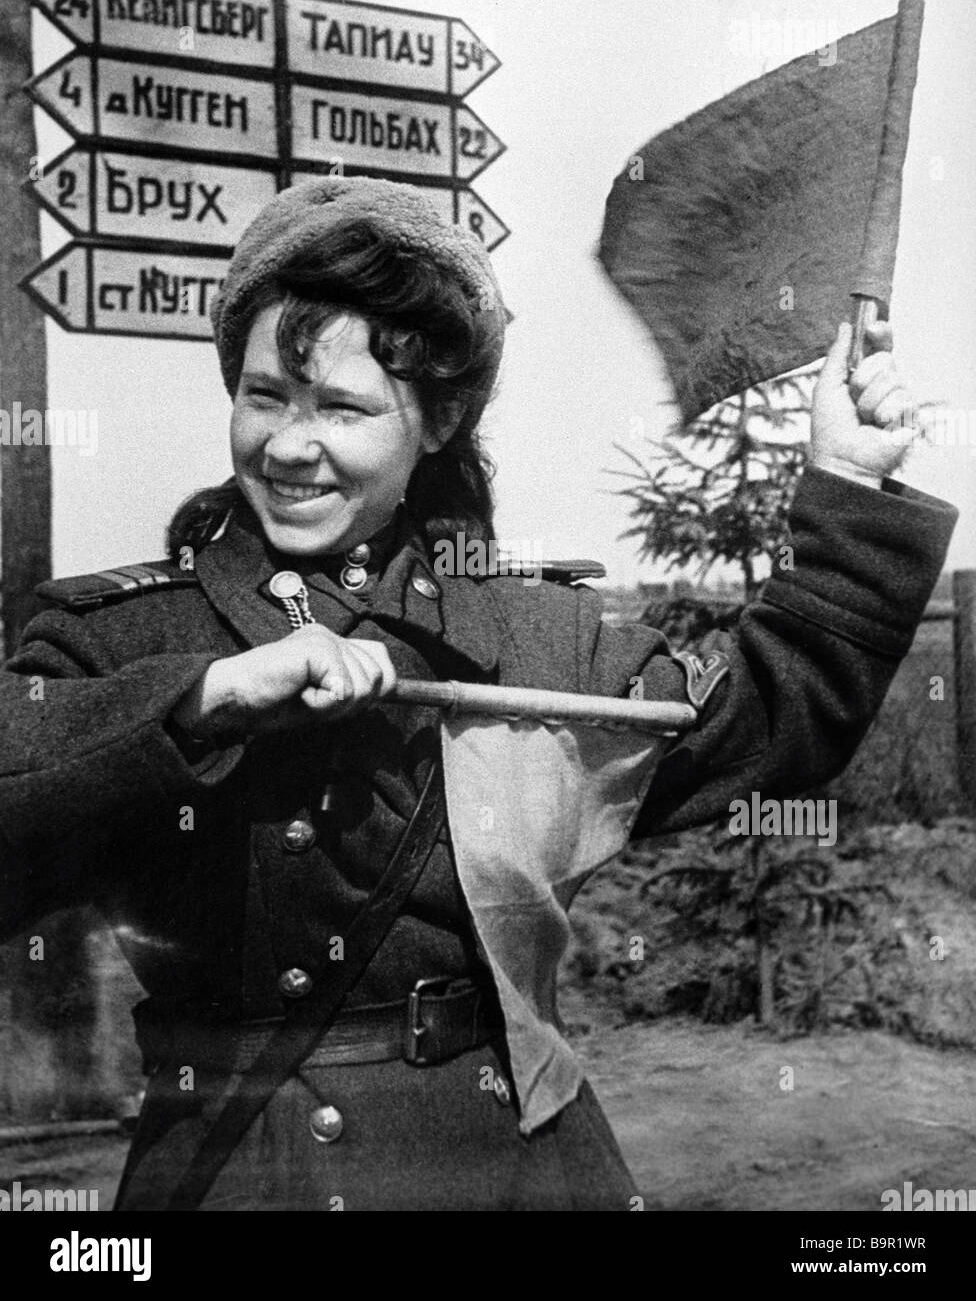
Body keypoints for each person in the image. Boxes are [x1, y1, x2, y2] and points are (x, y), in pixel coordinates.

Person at [0, 175, 957, 1211]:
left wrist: (845, 487)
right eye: (266, 395)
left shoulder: (534, 638)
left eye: (343, 407)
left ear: (437, 419)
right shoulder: (120, 637)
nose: (288, 445)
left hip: (513, 1168)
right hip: (238, 1175)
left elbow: (768, 725)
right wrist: (206, 697)